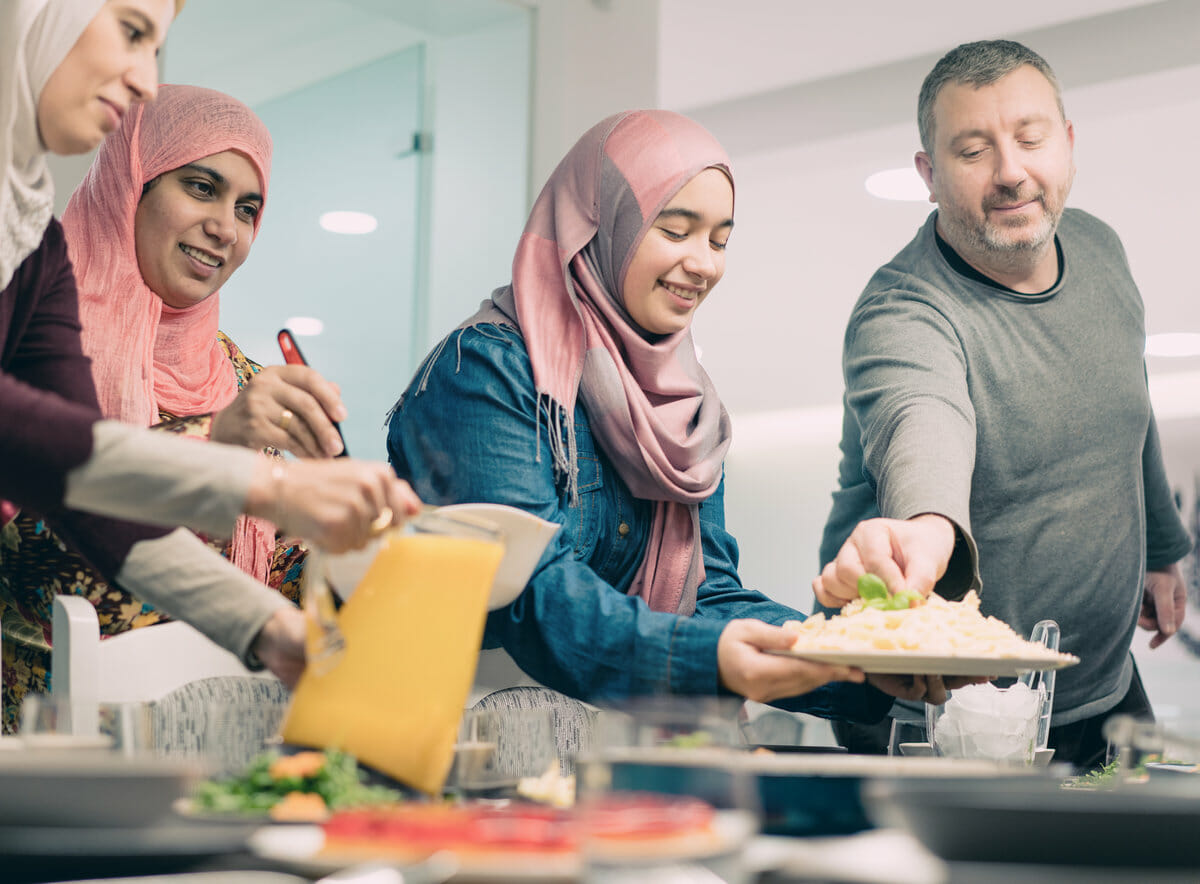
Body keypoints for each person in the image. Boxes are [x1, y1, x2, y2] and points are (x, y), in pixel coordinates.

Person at [387, 109, 955, 717]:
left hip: (614, 761)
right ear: (599, 226)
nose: (705, 263)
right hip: (467, 747)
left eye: (719, 239)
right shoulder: (486, 370)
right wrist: (711, 659)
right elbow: (530, 596)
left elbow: (708, 596)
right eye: (676, 230)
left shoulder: (684, 406)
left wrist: (863, 660)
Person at [0, 0, 420, 719]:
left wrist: (268, 624)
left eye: (249, 208)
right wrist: (255, 478)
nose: (143, 79)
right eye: (132, 32)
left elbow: (81, 489)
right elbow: (33, 458)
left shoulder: (32, 247)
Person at [814, 40, 1191, 768]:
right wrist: (930, 532)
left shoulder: (1100, 249)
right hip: (941, 709)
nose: (1011, 172)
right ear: (928, 174)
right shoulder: (902, 311)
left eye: (1029, 138)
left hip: (1100, 685)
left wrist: (1165, 547)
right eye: (973, 150)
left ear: (1069, 145)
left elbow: (1127, 397)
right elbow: (920, 423)